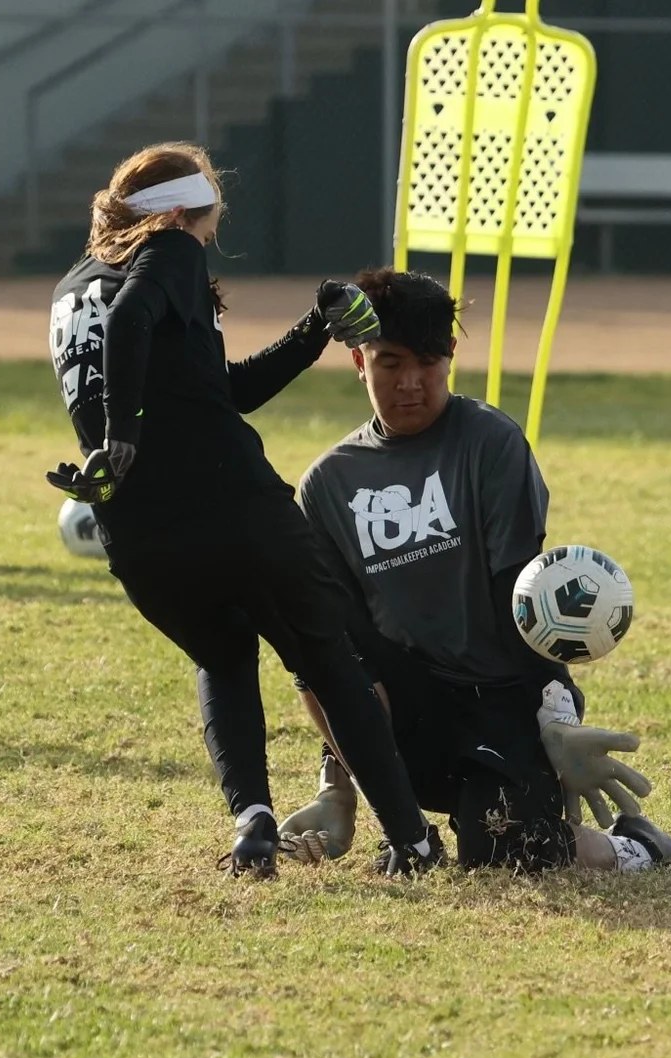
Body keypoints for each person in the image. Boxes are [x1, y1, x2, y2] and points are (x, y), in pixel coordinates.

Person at [45, 144, 443, 879]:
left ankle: (253, 826)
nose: (204, 247)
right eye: (206, 231)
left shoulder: (71, 286)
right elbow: (134, 320)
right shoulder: (166, 249)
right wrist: (123, 435)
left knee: (223, 655)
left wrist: (314, 327)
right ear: (174, 215)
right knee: (328, 658)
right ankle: (412, 839)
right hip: (233, 506)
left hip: (139, 538)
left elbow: (220, 388)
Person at [278, 266, 671, 874]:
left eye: (427, 362)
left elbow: (524, 601)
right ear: (358, 361)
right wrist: (338, 784)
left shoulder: (491, 443)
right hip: (410, 711)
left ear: (450, 355)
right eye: (390, 363)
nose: (410, 384)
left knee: (507, 853)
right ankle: (397, 814)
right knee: (309, 637)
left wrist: (555, 721)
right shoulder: (328, 483)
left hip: (505, 700)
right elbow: (339, 649)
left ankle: (639, 844)